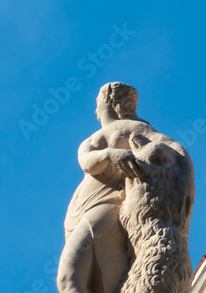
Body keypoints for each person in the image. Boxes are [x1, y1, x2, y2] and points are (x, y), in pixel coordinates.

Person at [57, 83, 189, 293]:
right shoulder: (95, 139)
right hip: (83, 211)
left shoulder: (130, 128)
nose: (95, 110)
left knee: (69, 278)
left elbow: (170, 147)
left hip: (105, 207)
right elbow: (86, 162)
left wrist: (181, 171)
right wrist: (110, 154)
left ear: (109, 101)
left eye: (98, 102)